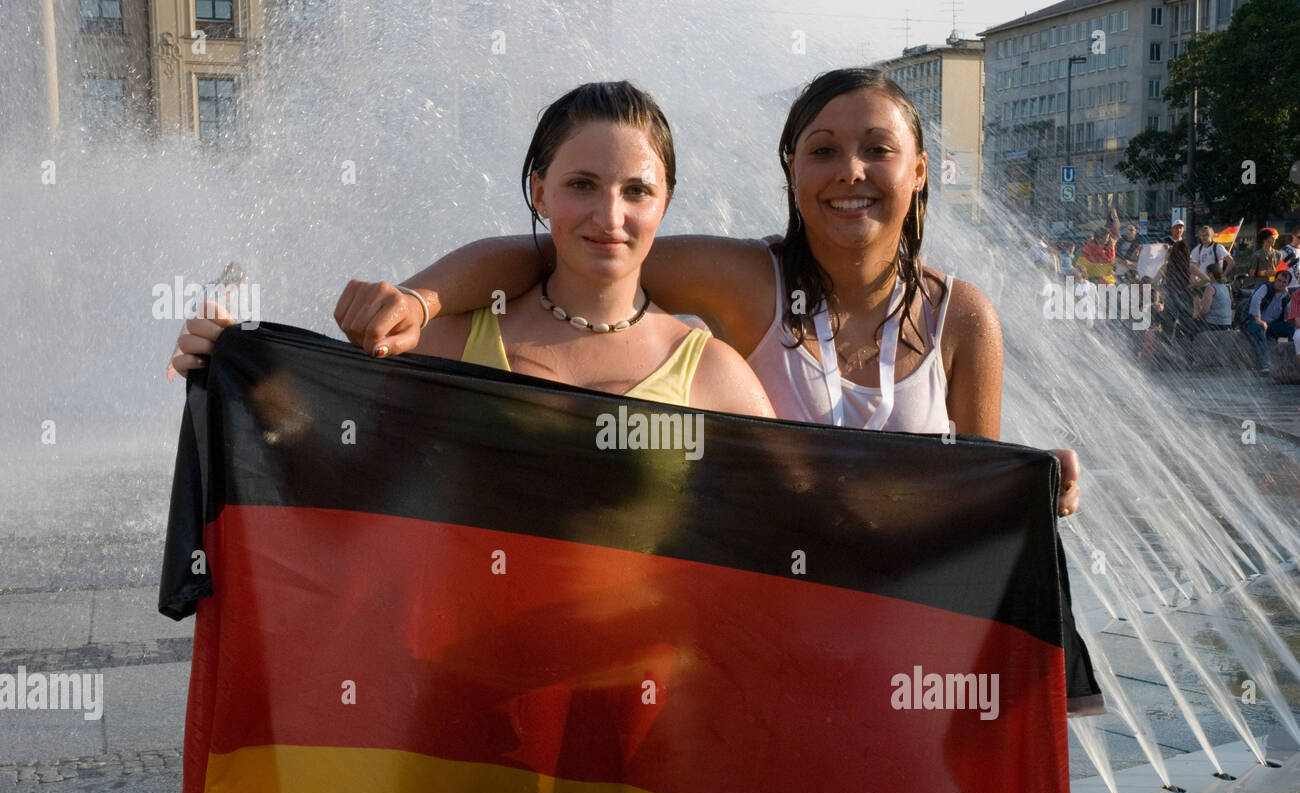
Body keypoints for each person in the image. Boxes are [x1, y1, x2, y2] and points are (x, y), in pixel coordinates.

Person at [332, 68, 1084, 518]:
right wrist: (420, 301)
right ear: (792, 170)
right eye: (823, 150)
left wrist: (1037, 481)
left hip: (893, 606)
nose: (851, 171)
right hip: (774, 609)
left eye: (879, 150)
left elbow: (980, 494)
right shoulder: (746, 280)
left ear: (919, 170)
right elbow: (561, 256)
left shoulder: (963, 318)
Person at [170, 81, 775, 423]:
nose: (609, 216)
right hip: (464, 650)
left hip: (644, 652)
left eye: (637, 191)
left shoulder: (715, 375)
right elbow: (328, 445)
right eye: (582, 185)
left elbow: (792, 530)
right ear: (541, 192)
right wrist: (235, 367)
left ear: (665, 203)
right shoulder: (452, 339)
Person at [1246, 266, 1296, 374]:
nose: (1281, 284)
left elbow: (1290, 313)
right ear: (1275, 279)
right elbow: (1256, 299)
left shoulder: (1286, 297)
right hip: (1253, 321)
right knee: (1259, 329)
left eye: (1284, 282)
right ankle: (1264, 365)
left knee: (1292, 329)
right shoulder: (1266, 288)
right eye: (1279, 280)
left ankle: (1294, 360)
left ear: (1287, 284)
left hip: (1271, 325)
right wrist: (1258, 319)